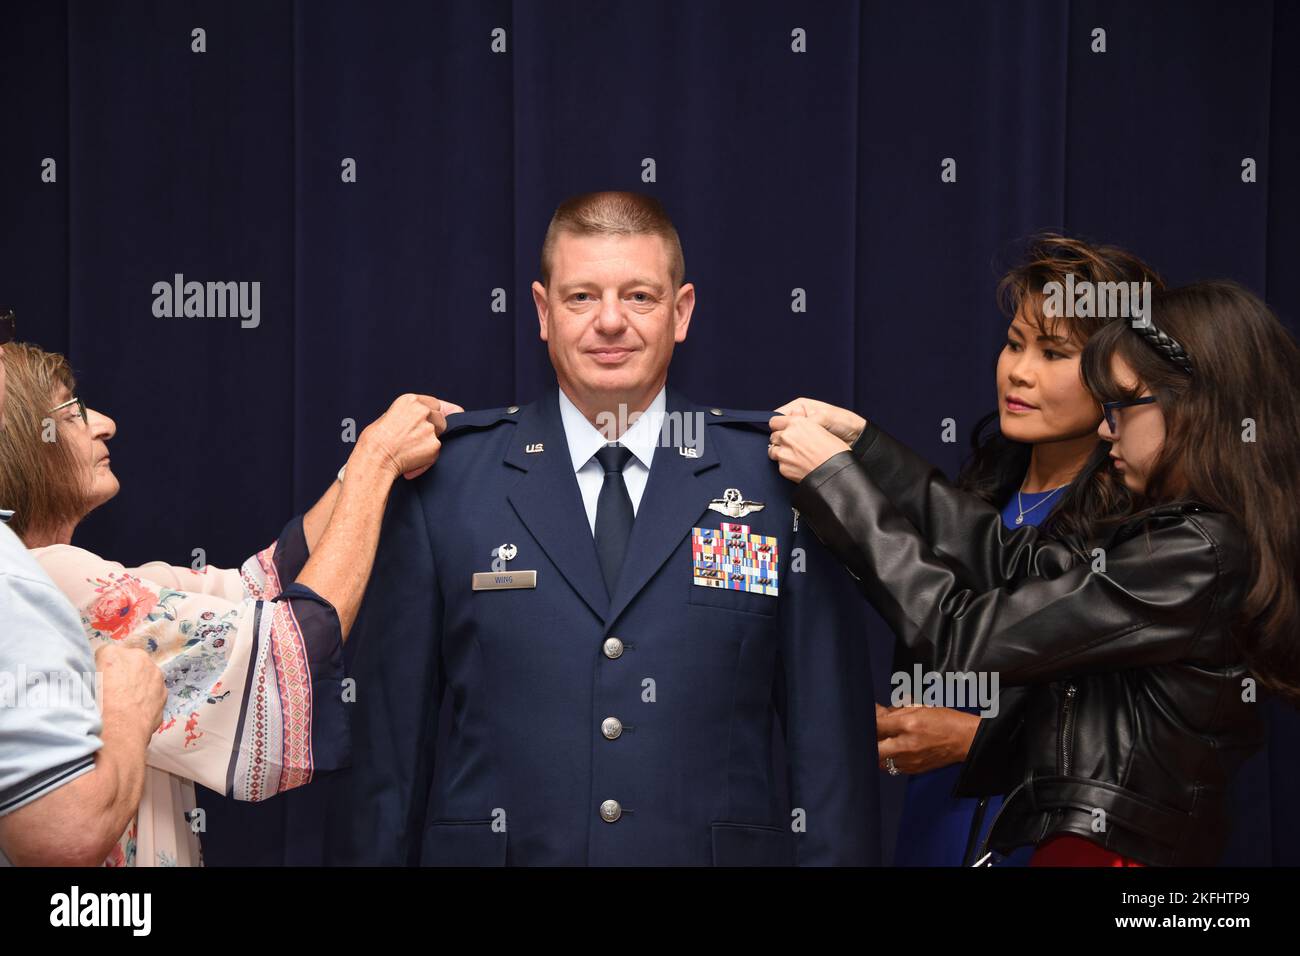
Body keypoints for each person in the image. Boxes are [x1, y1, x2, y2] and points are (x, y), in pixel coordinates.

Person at [321, 191, 880, 866]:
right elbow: (389, 759)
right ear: (541, 312)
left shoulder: (776, 478)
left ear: (681, 313)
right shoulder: (445, 483)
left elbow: (830, 761)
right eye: (582, 296)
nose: (610, 321)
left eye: (639, 297)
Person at [769, 281, 1300, 865]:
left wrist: (834, 483)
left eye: (1122, 404)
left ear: (1195, 407)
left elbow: (965, 636)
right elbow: (1009, 562)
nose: (1106, 427)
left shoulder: (1198, 553)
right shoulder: (1183, 539)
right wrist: (865, 449)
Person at [0, 336, 458, 865]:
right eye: (74, 412)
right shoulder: (50, 578)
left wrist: (366, 460)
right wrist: (377, 462)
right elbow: (284, 652)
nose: (104, 422)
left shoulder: (66, 580)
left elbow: (261, 583)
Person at [779, 235, 1164, 866]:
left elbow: (1144, 736)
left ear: (1118, 380)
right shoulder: (983, 493)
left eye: (1054, 353)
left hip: (1048, 841)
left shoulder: (1133, 531)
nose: (1019, 371)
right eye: (1015, 343)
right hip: (936, 822)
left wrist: (978, 739)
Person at [0, 310, 165, 866]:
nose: (105, 423)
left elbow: (251, 588)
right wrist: (126, 710)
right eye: (70, 413)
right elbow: (66, 831)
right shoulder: (25, 574)